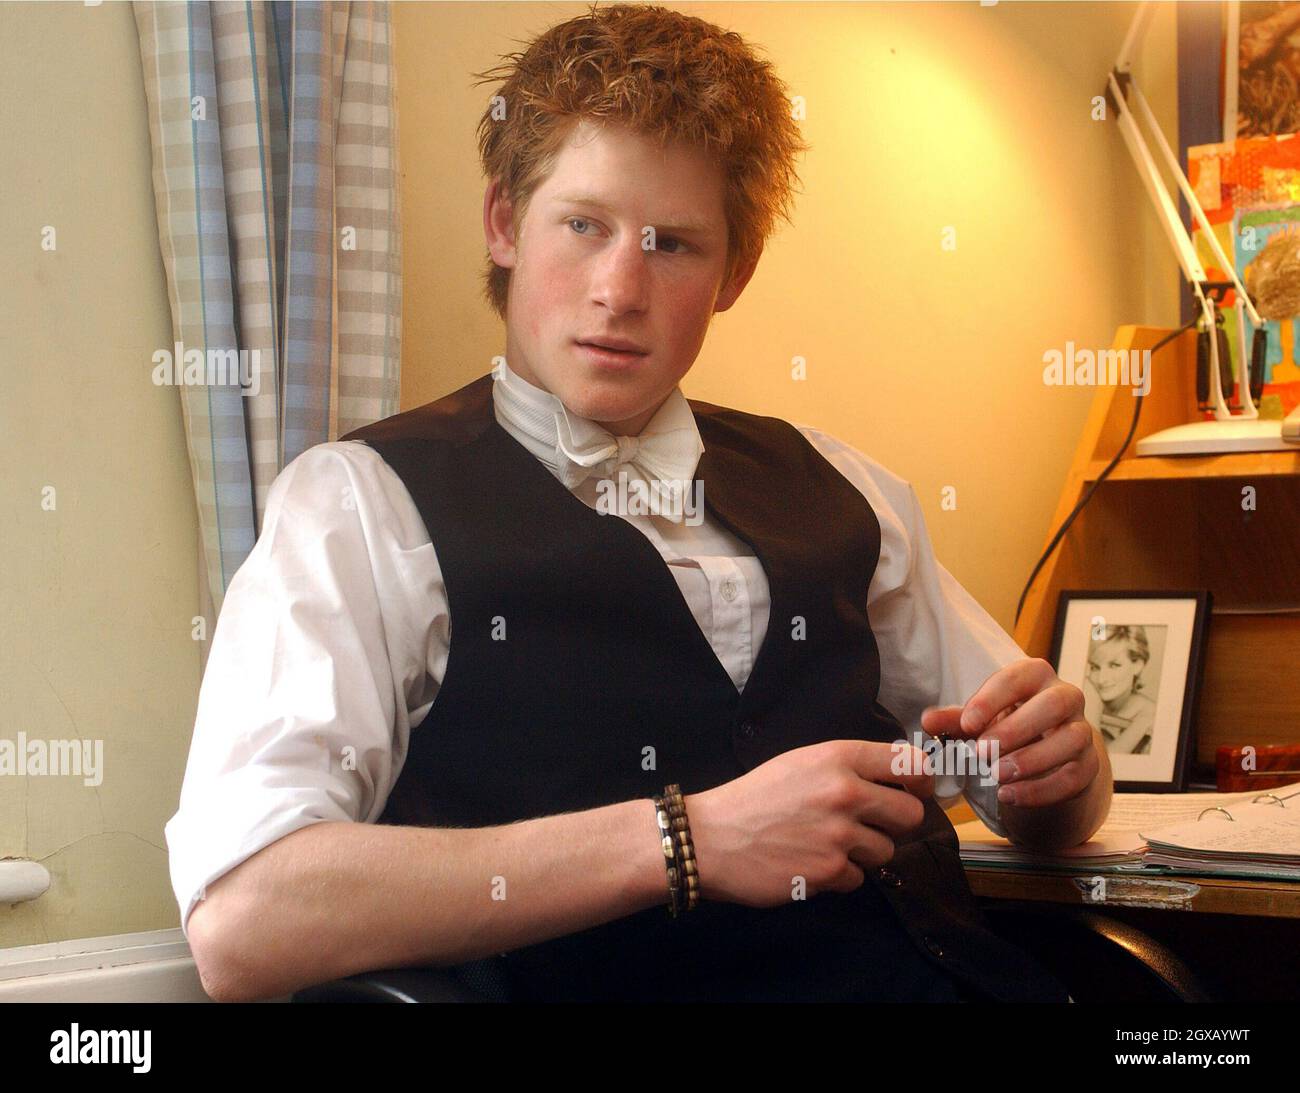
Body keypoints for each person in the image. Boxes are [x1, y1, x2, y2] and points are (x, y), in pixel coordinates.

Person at [169, 3, 1112, 1003]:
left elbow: (1042, 802)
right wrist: (687, 838)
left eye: (672, 244)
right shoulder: (358, 507)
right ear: (503, 224)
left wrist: (1059, 773)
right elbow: (246, 917)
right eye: (583, 225)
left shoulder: (842, 486)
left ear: (734, 273)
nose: (618, 288)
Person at [1088, 626, 1157, 756]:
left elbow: (1101, 765)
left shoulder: (1153, 713)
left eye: (1114, 665)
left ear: (1137, 665)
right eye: (1095, 667)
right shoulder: (1088, 698)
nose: (1101, 679)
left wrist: (1142, 722)